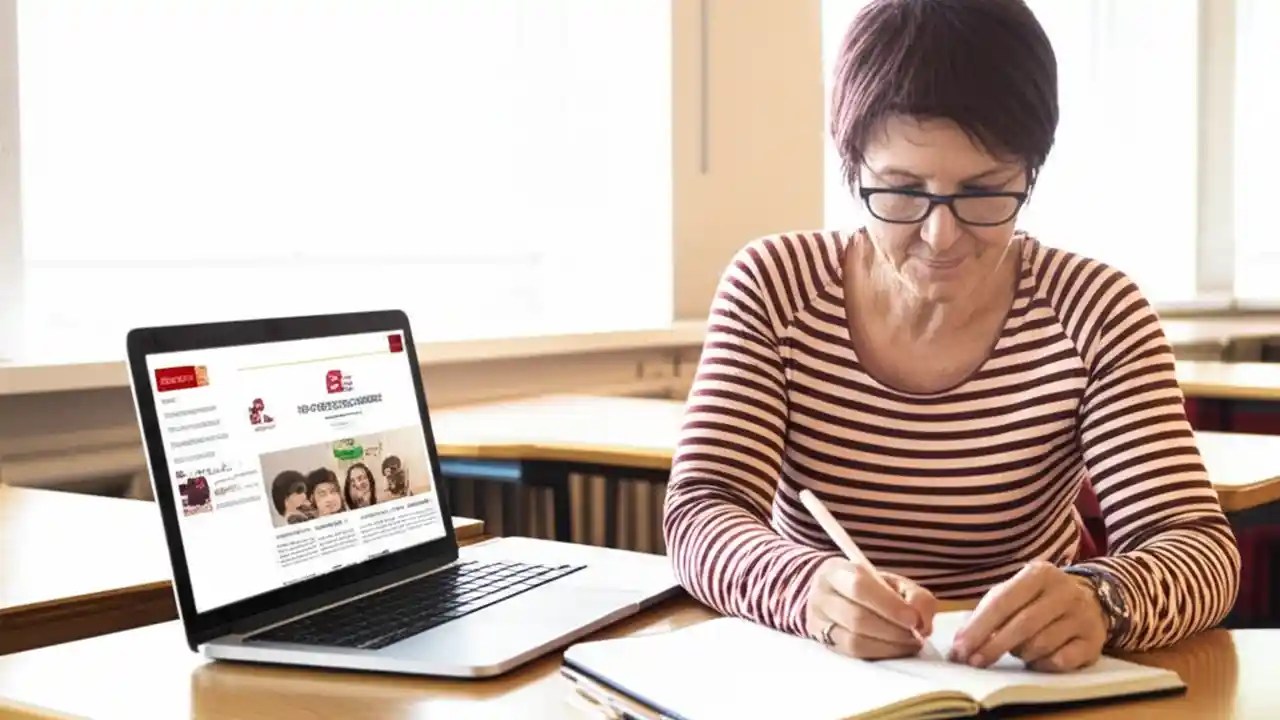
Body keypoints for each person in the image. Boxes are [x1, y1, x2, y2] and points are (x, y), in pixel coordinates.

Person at [663, 0, 1240, 675]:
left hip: (1020, 678)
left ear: (1031, 172)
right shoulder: (775, 287)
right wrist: (806, 590)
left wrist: (1101, 599)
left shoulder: (1095, 310)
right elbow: (702, 510)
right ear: (854, 170)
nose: (941, 235)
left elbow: (1195, 545)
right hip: (816, 673)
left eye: (983, 192)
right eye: (902, 192)